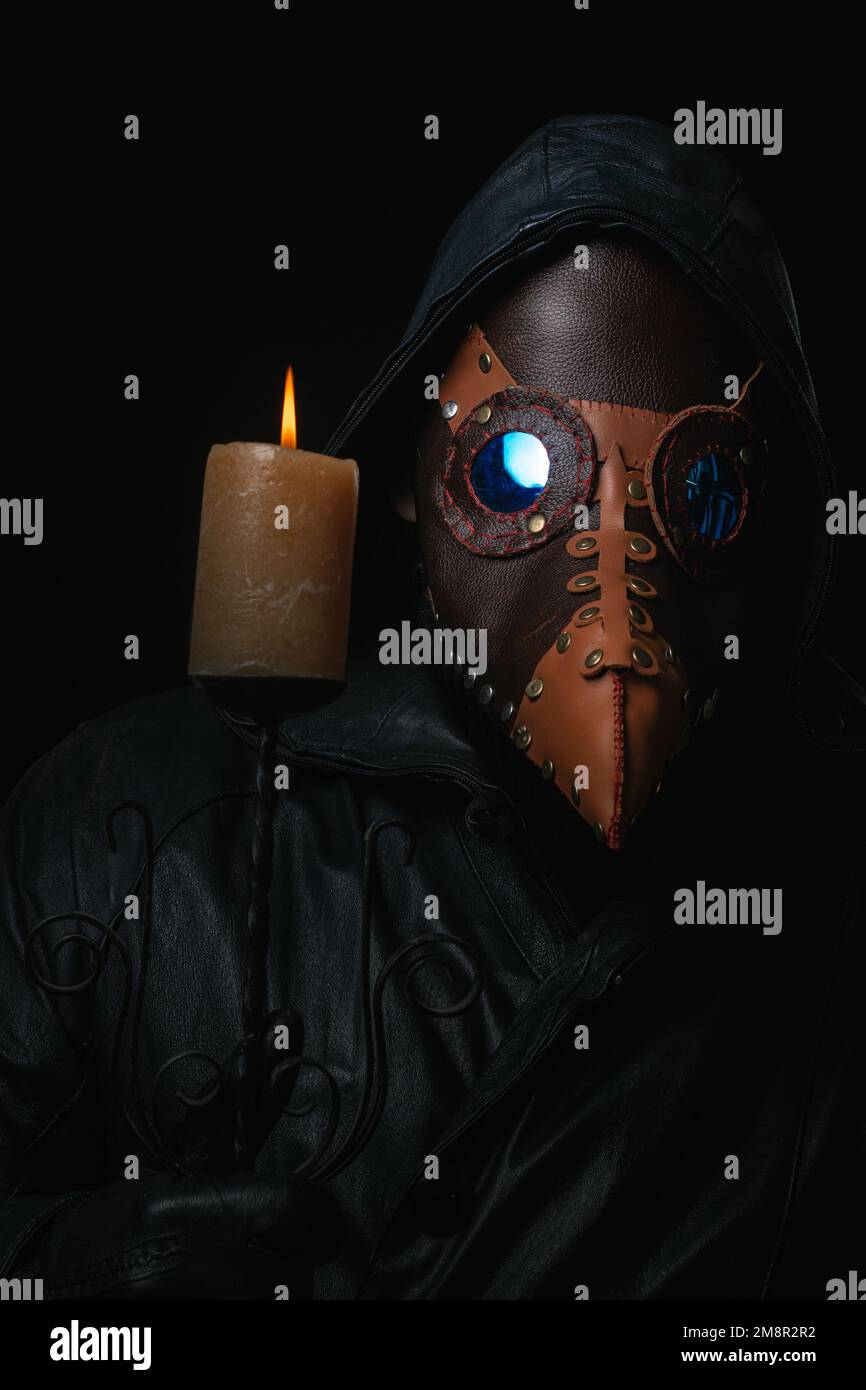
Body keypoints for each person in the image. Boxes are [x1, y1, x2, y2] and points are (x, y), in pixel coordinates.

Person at [1, 114, 862, 1300]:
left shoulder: (825, 891)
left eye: (701, 491)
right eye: (515, 470)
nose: (610, 621)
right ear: (408, 483)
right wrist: (65, 1287)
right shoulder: (120, 831)